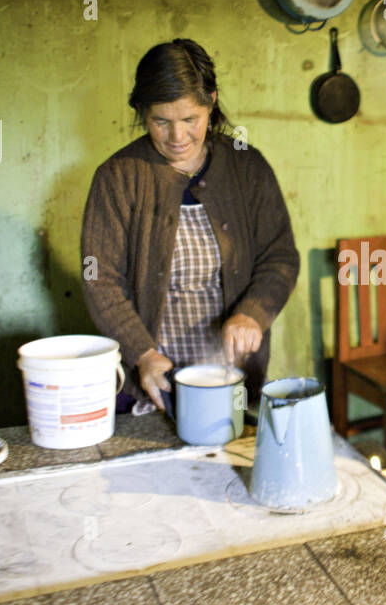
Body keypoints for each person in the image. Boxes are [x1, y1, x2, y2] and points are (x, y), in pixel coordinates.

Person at [81, 38, 300, 415]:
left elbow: (279, 256)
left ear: (211, 102)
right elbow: (100, 278)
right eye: (160, 121)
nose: (177, 137)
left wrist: (252, 314)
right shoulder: (118, 177)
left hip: (228, 375)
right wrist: (142, 352)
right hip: (153, 378)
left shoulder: (247, 167)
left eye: (190, 120)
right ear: (141, 111)